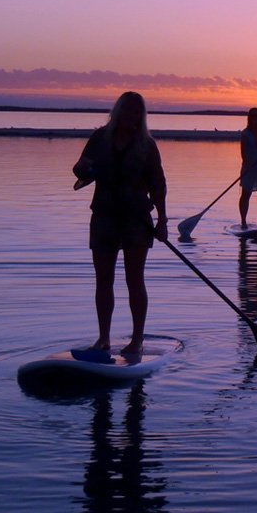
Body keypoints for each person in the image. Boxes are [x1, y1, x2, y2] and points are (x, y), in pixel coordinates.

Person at [72, 92, 168, 356]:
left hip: (136, 220)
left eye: (137, 112)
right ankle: (104, 338)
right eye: (127, 110)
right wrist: (82, 168)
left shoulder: (147, 145)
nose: (131, 115)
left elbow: (158, 185)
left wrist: (162, 220)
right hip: (104, 216)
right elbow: (81, 170)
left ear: (142, 116)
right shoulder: (99, 139)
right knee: (103, 280)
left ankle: (137, 340)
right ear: (117, 110)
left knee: (134, 279)